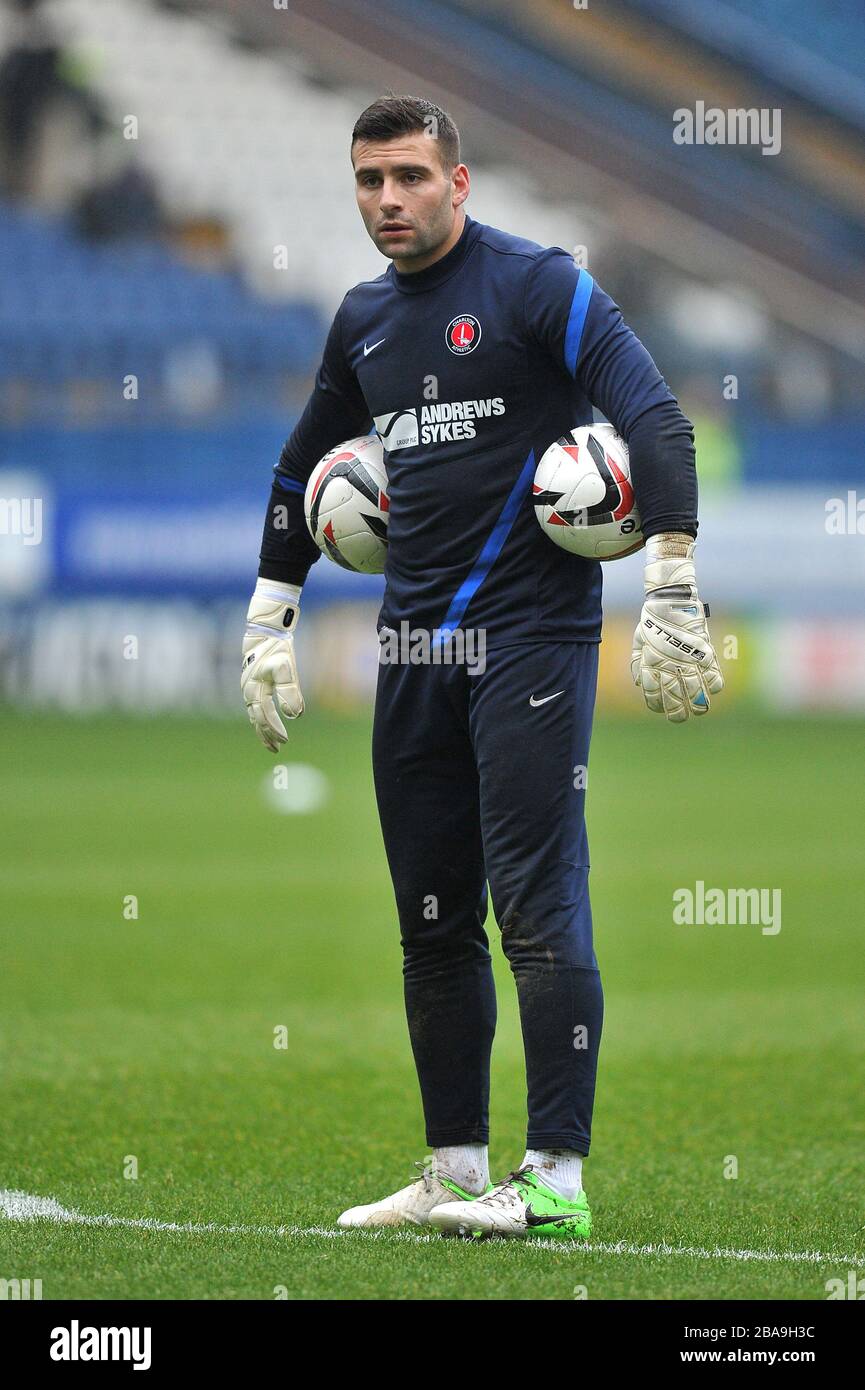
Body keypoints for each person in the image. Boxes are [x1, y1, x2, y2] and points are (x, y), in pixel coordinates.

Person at [241, 94, 723, 1241]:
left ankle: (552, 1176)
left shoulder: (537, 285)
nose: (388, 200)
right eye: (368, 181)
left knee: (537, 908)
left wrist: (670, 577)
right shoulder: (361, 320)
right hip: (415, 651)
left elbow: (656, 417)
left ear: (458, 183)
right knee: (429, 917)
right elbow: (299, 465)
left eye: (409, 176)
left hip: (531, 645)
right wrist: (271, 611)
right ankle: (455, 1168)